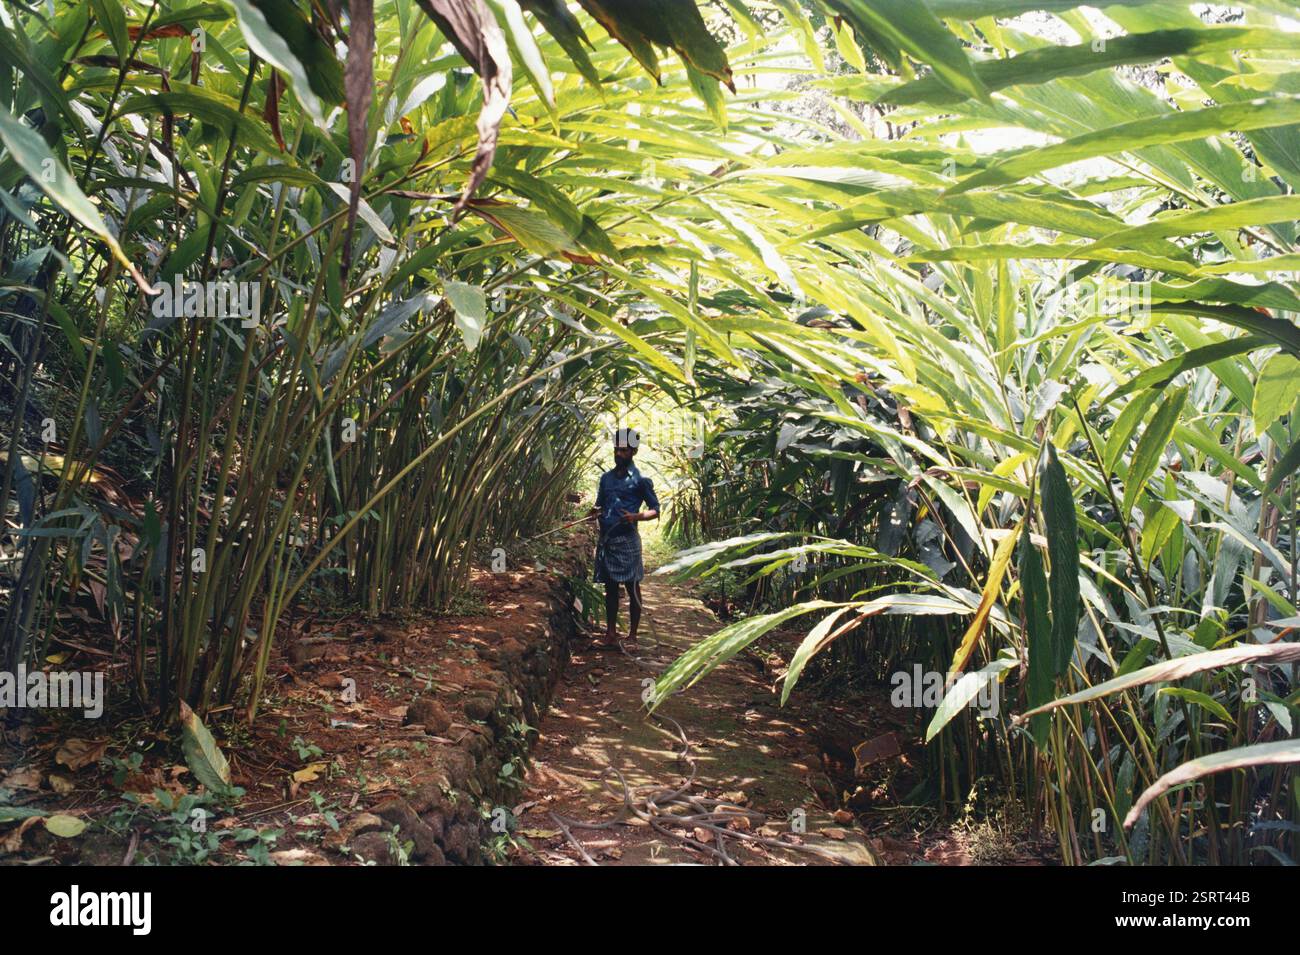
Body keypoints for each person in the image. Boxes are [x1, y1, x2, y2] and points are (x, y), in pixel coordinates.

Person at [588, 428, 659, 648]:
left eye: (624, 450)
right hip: (607, 540)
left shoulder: (641, 481)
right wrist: (594, 512)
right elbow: (599, 504)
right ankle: (610, 634)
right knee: (610, 589)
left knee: (632, 587)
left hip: (628, 541)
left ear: (634, 451)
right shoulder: (606, 479)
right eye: (617, 449)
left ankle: (633, 636)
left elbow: (655, 509)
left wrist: (636, 516)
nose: (619, 453)